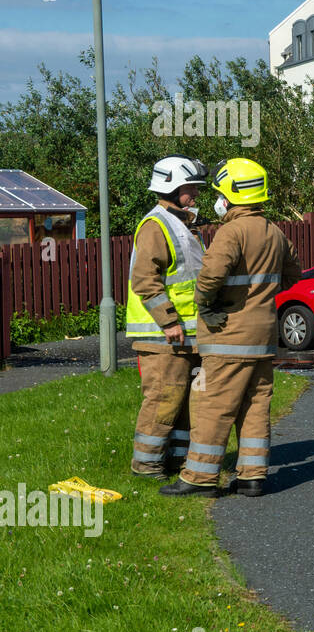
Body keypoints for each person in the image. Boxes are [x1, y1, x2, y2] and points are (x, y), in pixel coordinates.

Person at [161, 158, 301, 498]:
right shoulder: (274, 232)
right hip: (264, 338)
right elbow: (294, 274)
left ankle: (199, 477)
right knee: (255, 405)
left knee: (212, 404)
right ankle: (253, 476)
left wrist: (205, 304)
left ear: (230, 196)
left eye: (220, 193)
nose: (217, 200)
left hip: (228, 338)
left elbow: (210, 277)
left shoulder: (231, 231)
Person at [124, 156, 209, 479]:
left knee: (184, 404)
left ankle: (175, 460)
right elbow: (145, 280)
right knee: (163, 400)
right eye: (190, 188)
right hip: (163, 335)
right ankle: (145, 464)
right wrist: (169, 320)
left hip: (185, 334)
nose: (195, 194)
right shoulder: (155, 225)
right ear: (171, 188)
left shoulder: (181, 224)